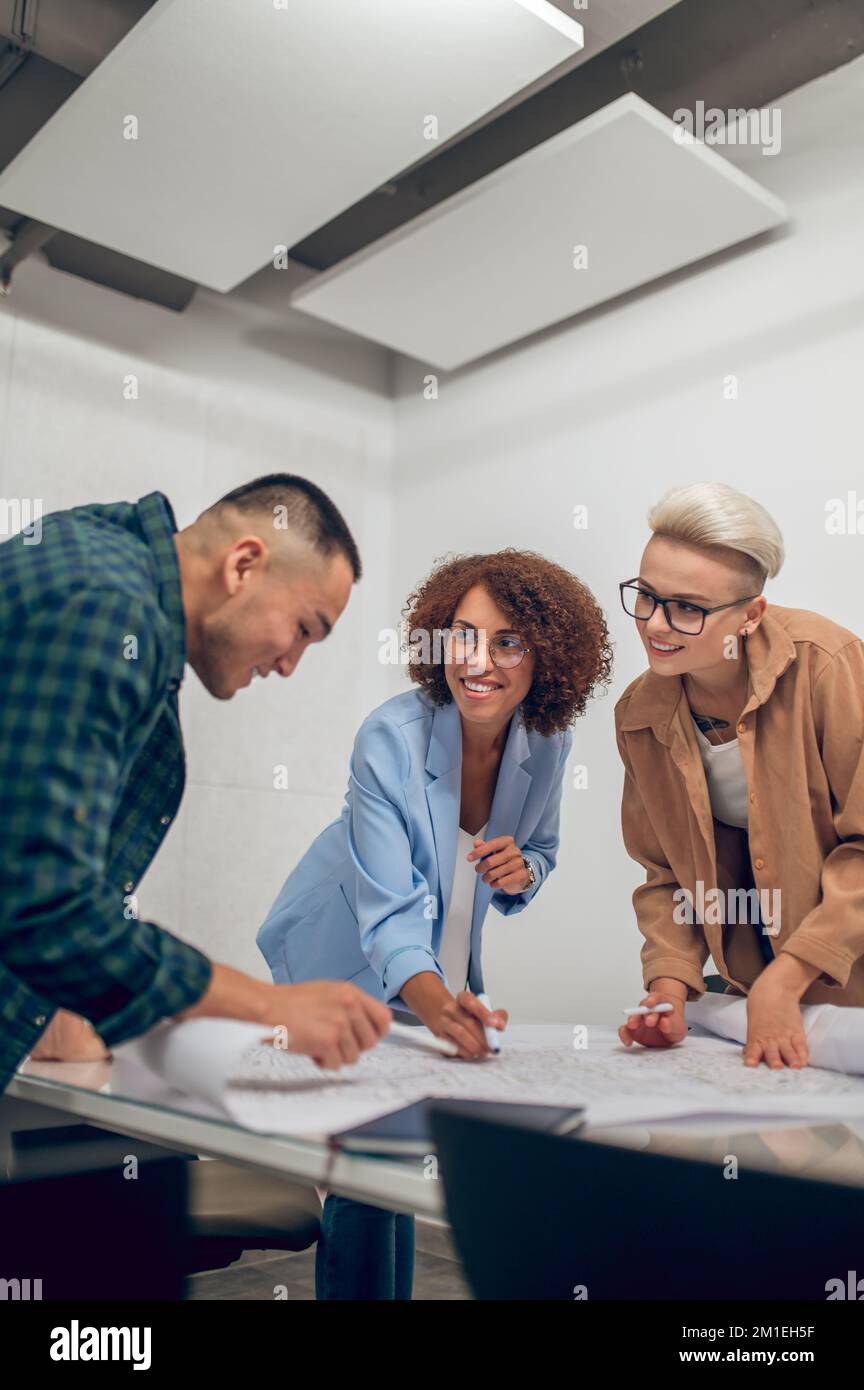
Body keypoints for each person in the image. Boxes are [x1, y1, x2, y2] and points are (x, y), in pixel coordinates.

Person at [259, 548, 612, 1298]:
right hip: (343, 947)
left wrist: (528, 872)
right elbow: (387, 910)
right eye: (463, 636)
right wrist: (442, 1011)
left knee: (402, 1150)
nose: (478, 661)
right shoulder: (390, 736)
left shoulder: (549, 744)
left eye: (508, 641)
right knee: (362, 1162)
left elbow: (540, 850)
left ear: (548, 656)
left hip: (440, 958)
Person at [0, 474, 391, 1092]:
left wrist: (63, 991)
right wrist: (273, 1008)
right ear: (244, 565)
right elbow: (47, 905)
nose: (290, 665)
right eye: (304, 629)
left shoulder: (101, 560)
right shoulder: (111, 609)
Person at [616, 482, 864, 1070]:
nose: (655, 624)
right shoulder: (640, 715)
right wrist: (670, 992)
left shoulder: (830, 666)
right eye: (646, 596)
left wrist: (788, 978)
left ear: (751, 614)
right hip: (762, 999)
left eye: (688, 608)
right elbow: (665, 877)